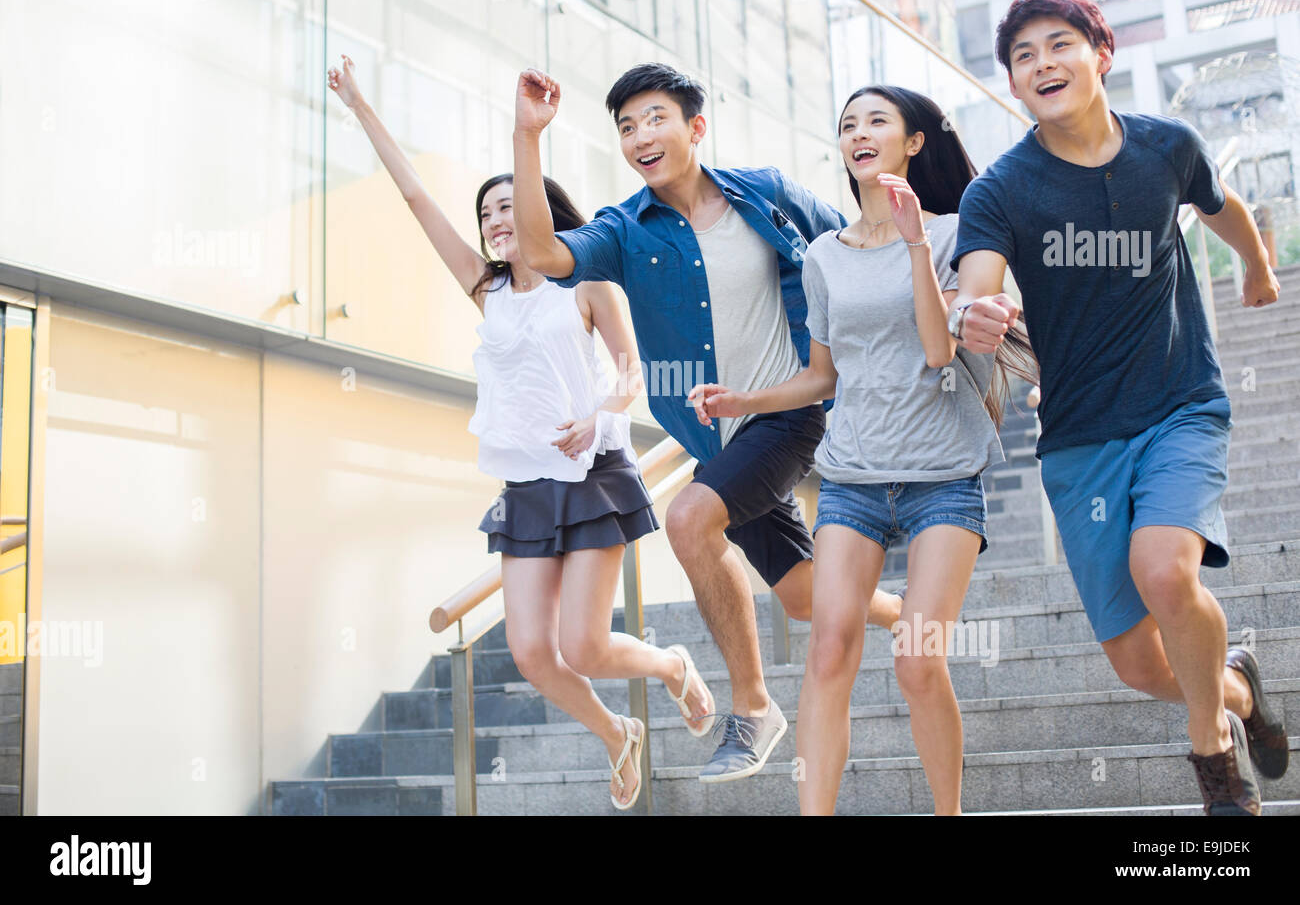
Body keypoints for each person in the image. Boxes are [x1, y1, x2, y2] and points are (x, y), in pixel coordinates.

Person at [327, 54, 714, 811]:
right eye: (488, 215)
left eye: (510, 208)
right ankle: (616, 735)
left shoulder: (588, 278)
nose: (498, 223)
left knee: (586, 647)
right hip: (529, 486)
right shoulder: (487, 290)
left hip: (595, 475)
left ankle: (671, 666)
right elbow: (413, 198)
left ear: (542, 211)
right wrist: (362, 105)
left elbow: (632, 374)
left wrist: (599, 415)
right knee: (534, 654)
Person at [510, 63, 905, 783]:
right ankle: (912, 618)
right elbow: (541, 253)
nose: (640, 137)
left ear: (694, 127)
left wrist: (934, 286)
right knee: (799, 593)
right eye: (626, 127)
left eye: (655, 118)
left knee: (690, 518)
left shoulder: (768, 193)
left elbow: (853, 246)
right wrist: (529, 135)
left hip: (788, 413)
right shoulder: (625, 230)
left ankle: (753, 709)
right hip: (715, 436)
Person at [949, 0, 1287, 816]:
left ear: (1100, 54)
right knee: (1139, 666)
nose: (1041, 64)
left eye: (1058, 44)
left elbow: (1220, 205)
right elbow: (977, 283)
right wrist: (977, 313)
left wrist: (1256, 265)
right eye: (1023, 57)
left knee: (1165, 571)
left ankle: (1213, 763)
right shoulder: (1001, 189)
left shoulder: (1167, 147)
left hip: (1181, 405)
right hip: (1078, 438)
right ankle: (1239, 690)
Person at [688, 85, 1037, 814]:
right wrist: (743, 400)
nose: (858, 133)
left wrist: (913, 241)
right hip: (851, 478)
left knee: (917, 662)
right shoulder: (823, 255)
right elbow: (823, 374)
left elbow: (942, 349)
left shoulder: (955, 233)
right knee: (828, 650)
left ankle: (949, 811)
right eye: (847, 124)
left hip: (943, 475)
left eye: (877, 120)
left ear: (914, 142)